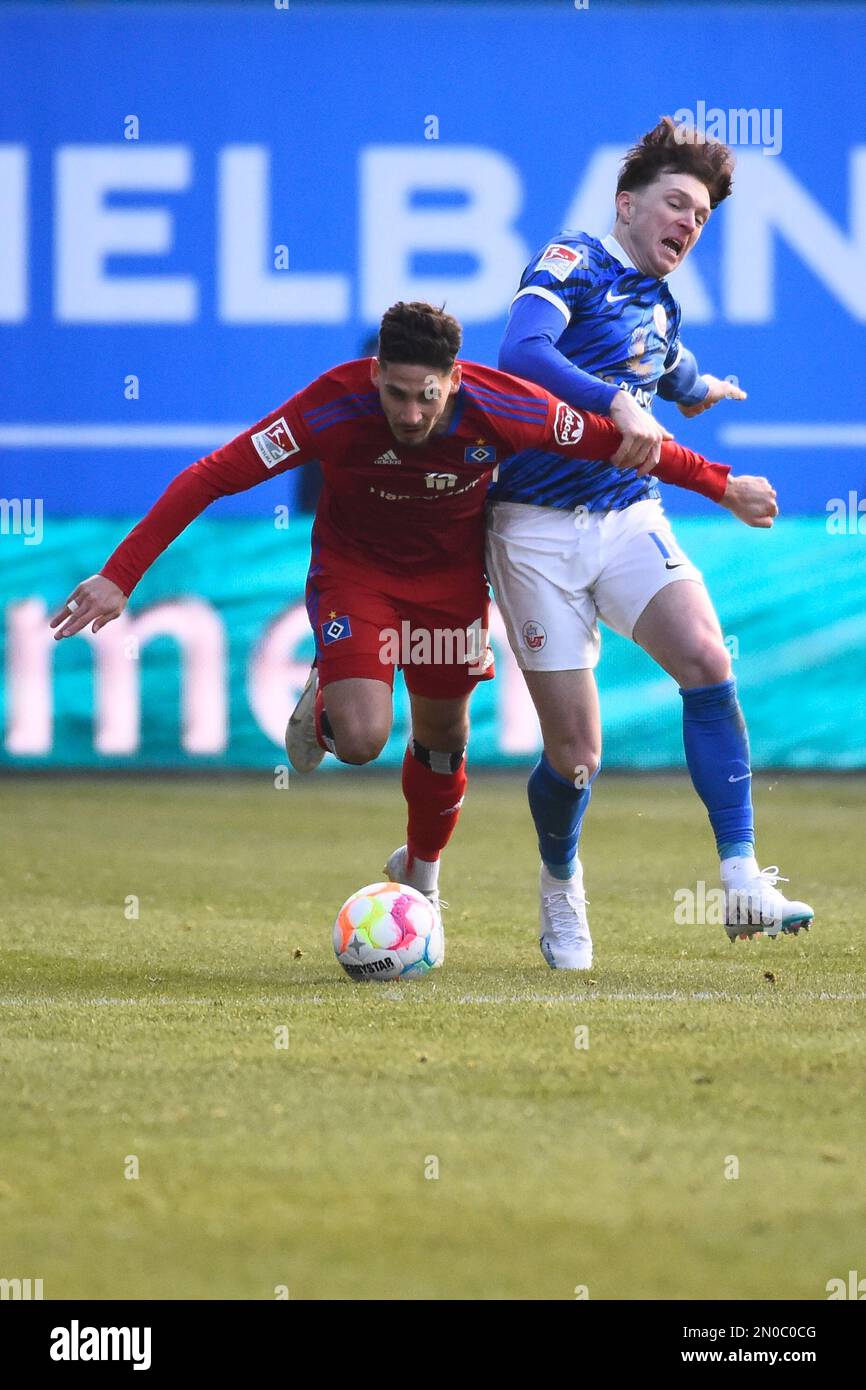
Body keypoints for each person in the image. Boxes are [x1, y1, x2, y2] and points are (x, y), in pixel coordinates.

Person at [49, 300, 775, 955]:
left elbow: (619, 444)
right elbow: (217, 472)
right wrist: (121, 576)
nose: (409, 413)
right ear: (375, 373)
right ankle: (333, 688)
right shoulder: (332, 405)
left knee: (442, 741)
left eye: (425, 396)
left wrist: (723, 485)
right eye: (394, 392)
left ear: (454, 380)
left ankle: (421, 879)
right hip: (356, 576)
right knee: (362, 741)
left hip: (448, 587)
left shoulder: (506, 405)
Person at [485, 117, 812, 967]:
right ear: (627, 204)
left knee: (707, 658)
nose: (687, 224)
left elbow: (667, 365)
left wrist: (699, 388)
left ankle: (740, 877)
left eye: (701, 217)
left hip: (628, 516)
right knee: (577, 755)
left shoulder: (661, 309)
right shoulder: (573, 260)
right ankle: (561, 885)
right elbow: (519, 351)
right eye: (675, 203)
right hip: (533, 533)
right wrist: (613, 400)